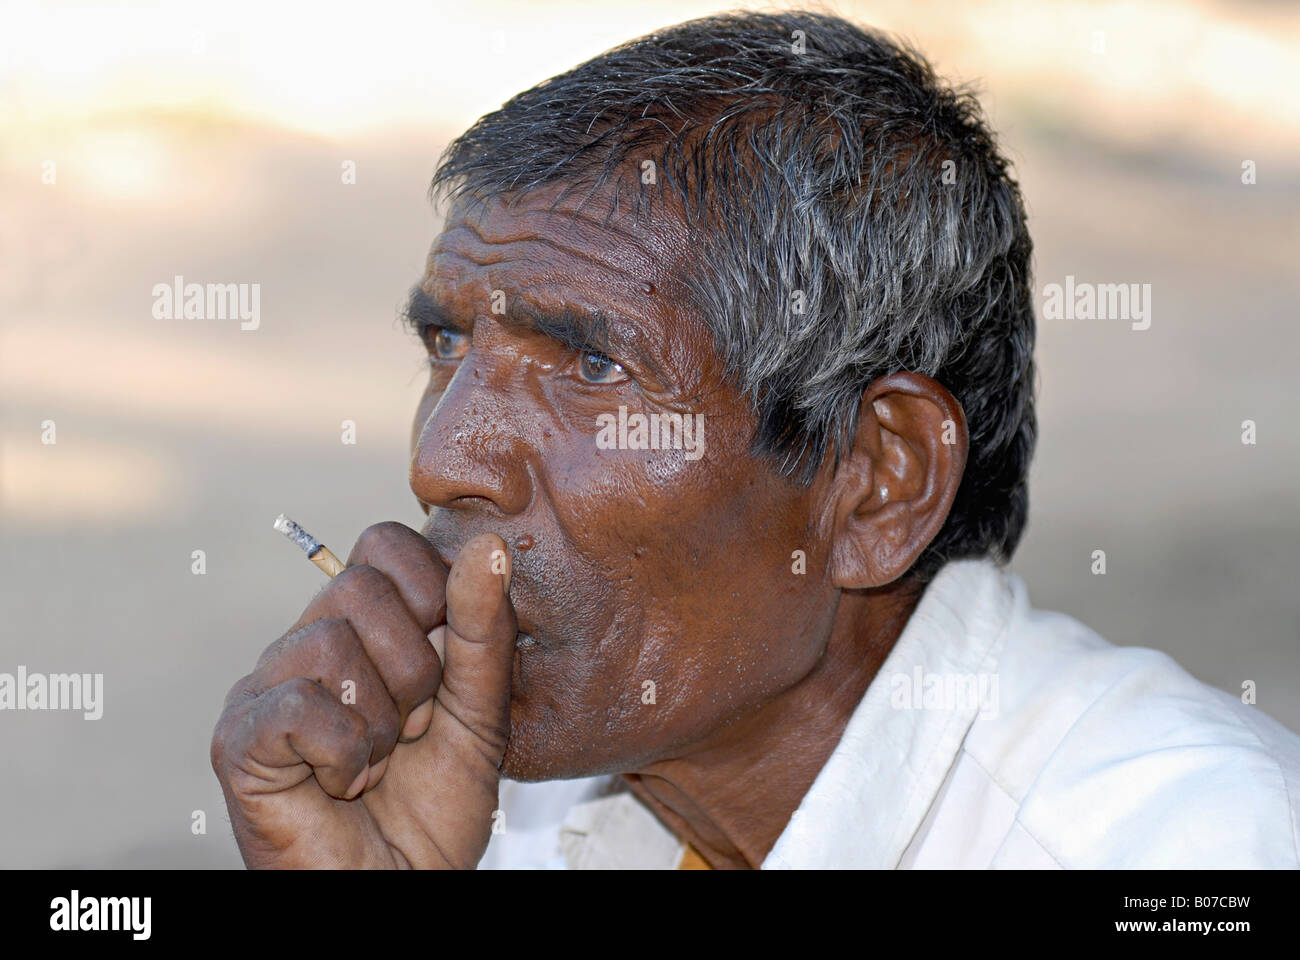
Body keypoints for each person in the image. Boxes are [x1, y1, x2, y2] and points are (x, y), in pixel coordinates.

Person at [210, 10, 1300, 869]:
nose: (444, 460)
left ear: (877, 483)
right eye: (447, 344)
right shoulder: (496, 813)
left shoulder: (1181, 848)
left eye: (593, 366)